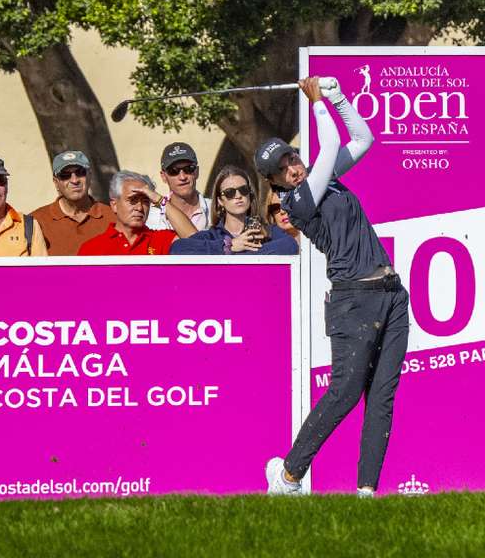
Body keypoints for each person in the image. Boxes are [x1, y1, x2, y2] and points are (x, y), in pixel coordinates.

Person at [257, 76, 407, 498]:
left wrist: (338, 96)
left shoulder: (329, 180)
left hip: (392, 294)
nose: (292, 167)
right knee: (344, 392)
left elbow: (363, 139)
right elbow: (329, 146)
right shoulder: (298, 201)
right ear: (276, 182)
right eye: (282, 168)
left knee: (382, 396)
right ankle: (288, 476)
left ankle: (366, 492)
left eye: (291, 157)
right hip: (353, 301)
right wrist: (318, 103)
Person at [170, 167, 298, 256]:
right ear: (220, 200)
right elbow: (177, 249)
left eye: (243, 190)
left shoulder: (268, 231)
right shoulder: (212, 236)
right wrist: (228, 246)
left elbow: (290, 245)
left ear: (250, 195)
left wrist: (237, 255)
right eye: (229, 192)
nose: (238, 196)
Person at [77, 171, 193, 255]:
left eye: (145, 201)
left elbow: (195, 240)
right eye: (132, 200)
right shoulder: (92, 248)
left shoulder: (160, 240)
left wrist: (159, 199)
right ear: (114, 205)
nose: (139, 208)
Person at [30, 150, 115, 256]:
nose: (74, 180)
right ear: (56, 182)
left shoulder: (112, 217)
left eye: (80, 173)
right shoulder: (36, 222)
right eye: (65, 175)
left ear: (90, 176)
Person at [146, 142, 211, 233]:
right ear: (163, 176)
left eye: (188, 169)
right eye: (173, 171)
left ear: (197, 172)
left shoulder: (215, 210)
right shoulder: (150, 217)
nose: (182, 177)